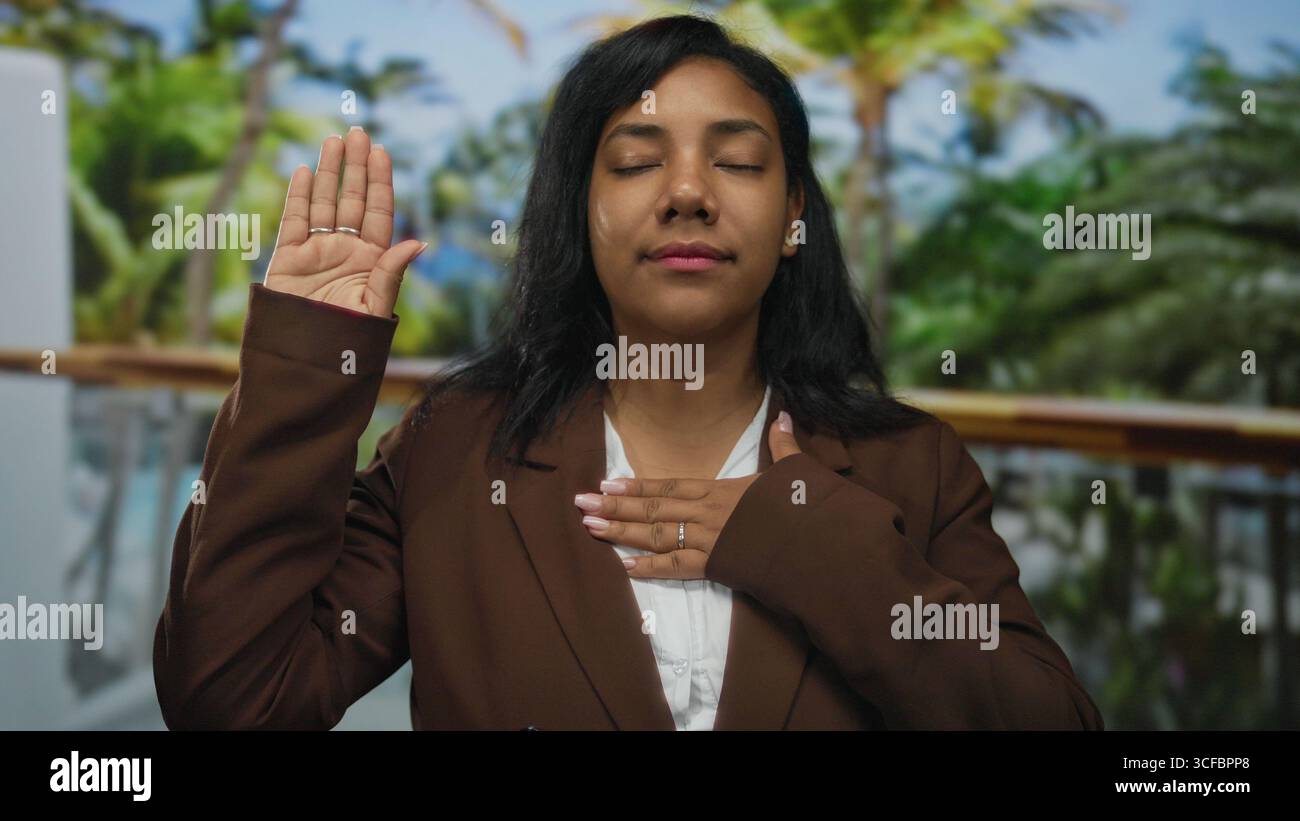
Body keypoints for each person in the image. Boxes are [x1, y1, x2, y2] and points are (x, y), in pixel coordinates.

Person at [153, 14, 1104, 731]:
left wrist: (812, 548)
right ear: (580, 213)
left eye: (735, 161)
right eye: (637, 161)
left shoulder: (911, 465)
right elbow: (234, 698)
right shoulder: (456, 448)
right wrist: (308, 357)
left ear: (794, 220)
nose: (687, 194)